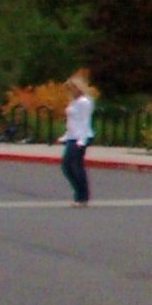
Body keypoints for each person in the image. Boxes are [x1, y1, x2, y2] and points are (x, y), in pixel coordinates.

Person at [59, 75, 95, 206]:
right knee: (68, 166)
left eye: (73, 87)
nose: (71, 90)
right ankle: (80, 195)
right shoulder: (74, 101)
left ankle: (82, 196)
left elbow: (84, 122)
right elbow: (72, 121)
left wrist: (82, 140)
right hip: (72, 136)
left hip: (81, 137)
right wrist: (66, 135)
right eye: (70, 88)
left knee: (72, 165)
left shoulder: (84, 102)